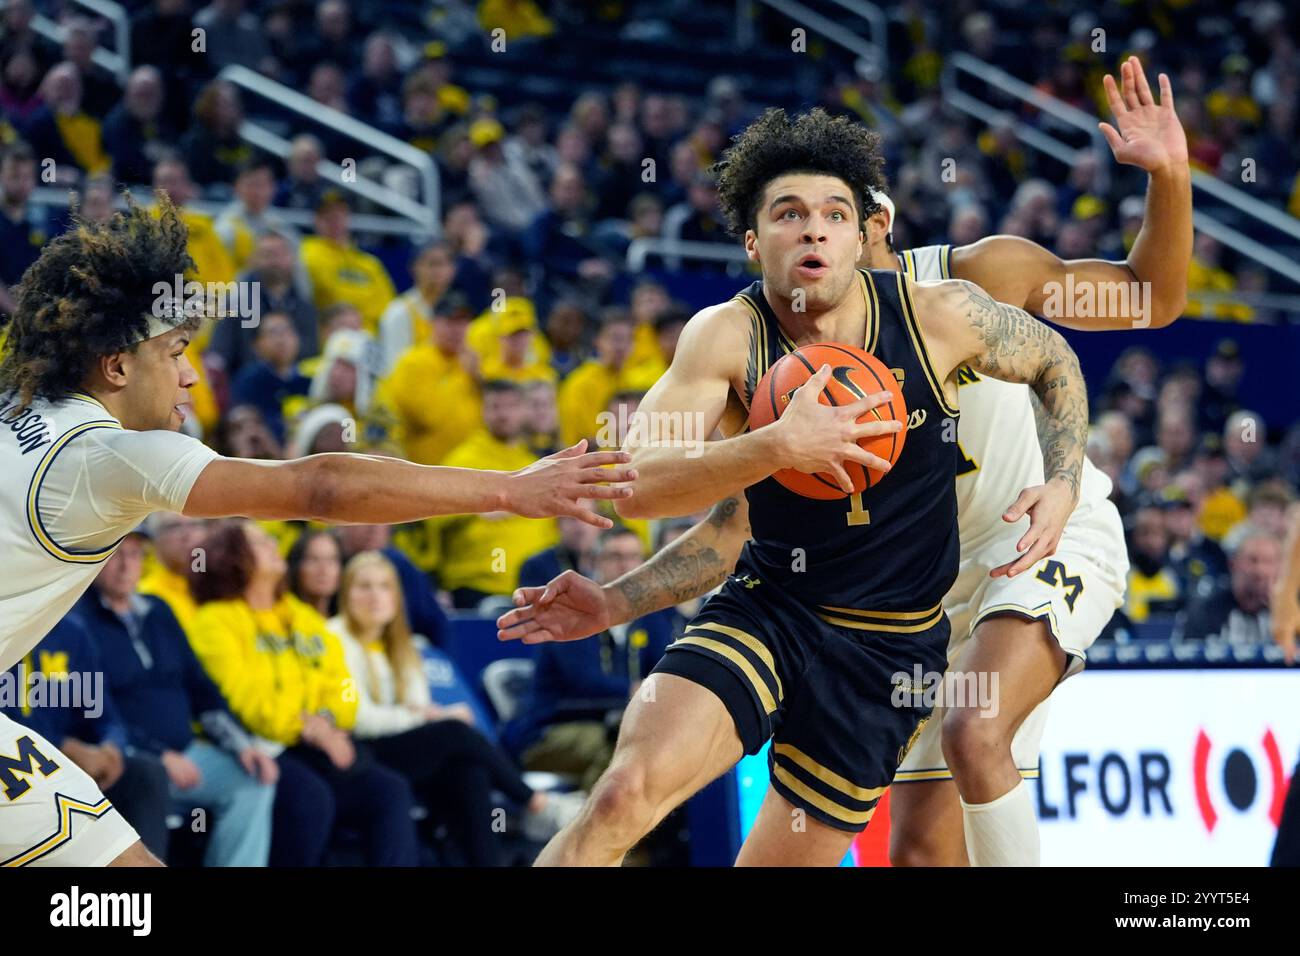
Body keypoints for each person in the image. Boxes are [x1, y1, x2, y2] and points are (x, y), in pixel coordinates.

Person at [501, 57, 1191, 868]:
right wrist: (623, 595)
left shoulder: (967, 288)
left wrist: (1171, 177)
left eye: (843, 214)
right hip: (897, 596)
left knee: (977, 734)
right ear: (761, 238)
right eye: (795, 215)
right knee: (921, 853)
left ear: (876, 224)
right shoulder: (748, 348)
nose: (825, 233)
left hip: (1037, 538)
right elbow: (717, 523)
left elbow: (1146, 299)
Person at [0, 194, 634, 867]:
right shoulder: (110, 455)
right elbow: (320, 486)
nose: (190, 374)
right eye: (175, 351)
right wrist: (507, 488)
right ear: (116, 366)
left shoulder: (22, 408)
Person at [187, 520, 417, 866]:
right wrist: (309, 729)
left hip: (314, 744)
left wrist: (323, 724)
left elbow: (342, 688)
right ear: (234, 557)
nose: (273, 545)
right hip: (260, 748)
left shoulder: (303, 616)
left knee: (388, 790)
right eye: (261, 542)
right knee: (310, 797)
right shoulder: (214, 622)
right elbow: (247, 701)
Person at [330, 551, 581, 864]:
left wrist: (422, 715)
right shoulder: (334, 639)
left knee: (469, 771)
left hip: (400, 751)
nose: (374, 596)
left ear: (396, 597)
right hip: (357, 753)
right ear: (346, 593)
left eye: (384, 587)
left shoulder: (405, 644)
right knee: (454, 731)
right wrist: (426, 716)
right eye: (363, 587)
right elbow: (359, 719)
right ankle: (535, 804)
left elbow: (419, 708)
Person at [76, 529, 278, 867]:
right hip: (130, 761)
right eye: (115, 555)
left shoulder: (159, 611)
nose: (126, 566)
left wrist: (241, 745)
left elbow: (201, 688)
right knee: (150, 777)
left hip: (189, 754)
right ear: (93, 561)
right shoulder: (77, 621)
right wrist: (159, 754)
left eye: (135, 554)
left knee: (253, 778)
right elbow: (92, 712)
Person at [512, 528, 675, 792]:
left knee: (662, 743)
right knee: (621, 746)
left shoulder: (650, 615)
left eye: (635, 557)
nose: (626, 565)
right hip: (551, 730)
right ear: (592, 562)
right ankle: (590, 824)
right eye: (615, 556)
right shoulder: (572, 610)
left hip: (618, 724)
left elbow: (664, 667)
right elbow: (582, 681)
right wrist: (635, 689)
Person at [1176, 529, 1281, 645]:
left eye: (1269, 562)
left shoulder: (1291, 613)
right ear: (1233, 564)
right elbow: (1188, 658)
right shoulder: (1206, 612)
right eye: (1252, 560)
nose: (1260, 571)